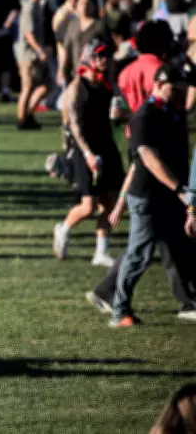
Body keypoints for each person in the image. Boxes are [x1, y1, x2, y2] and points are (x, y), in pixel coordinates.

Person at [110, 64, 196, 327]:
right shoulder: (144, 116)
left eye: (182, 90)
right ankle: (119, 310)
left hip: (171, 195)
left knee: (181, 248)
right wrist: (121, 203)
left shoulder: (172, 113)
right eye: (174, 90)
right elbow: (144, 159)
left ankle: (189, 302)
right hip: (147, 197)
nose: (180, 95)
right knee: (139, 254)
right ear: (158, 85)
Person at [53, 40, 125, 267]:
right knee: (89, 206)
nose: (105, 60)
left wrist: (120, 114)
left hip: (106, 146)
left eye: (107, 56)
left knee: (111, 203)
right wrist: (87, 154)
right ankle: (63, 229)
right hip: (85, 150)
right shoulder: (76, 87)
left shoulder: (107, 86)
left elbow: (118, 116)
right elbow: (73, 125)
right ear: (88, 58)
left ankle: (100, 252)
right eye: (100, 56)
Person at [16, 0, 48, 130]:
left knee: (40, 86)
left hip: (32, 54)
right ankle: (23, 118)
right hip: (29, 55)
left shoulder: (35, 7)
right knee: (28, 87)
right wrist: (40, 50)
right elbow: (28, 34)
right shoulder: (29, 8)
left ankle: (28, 115)